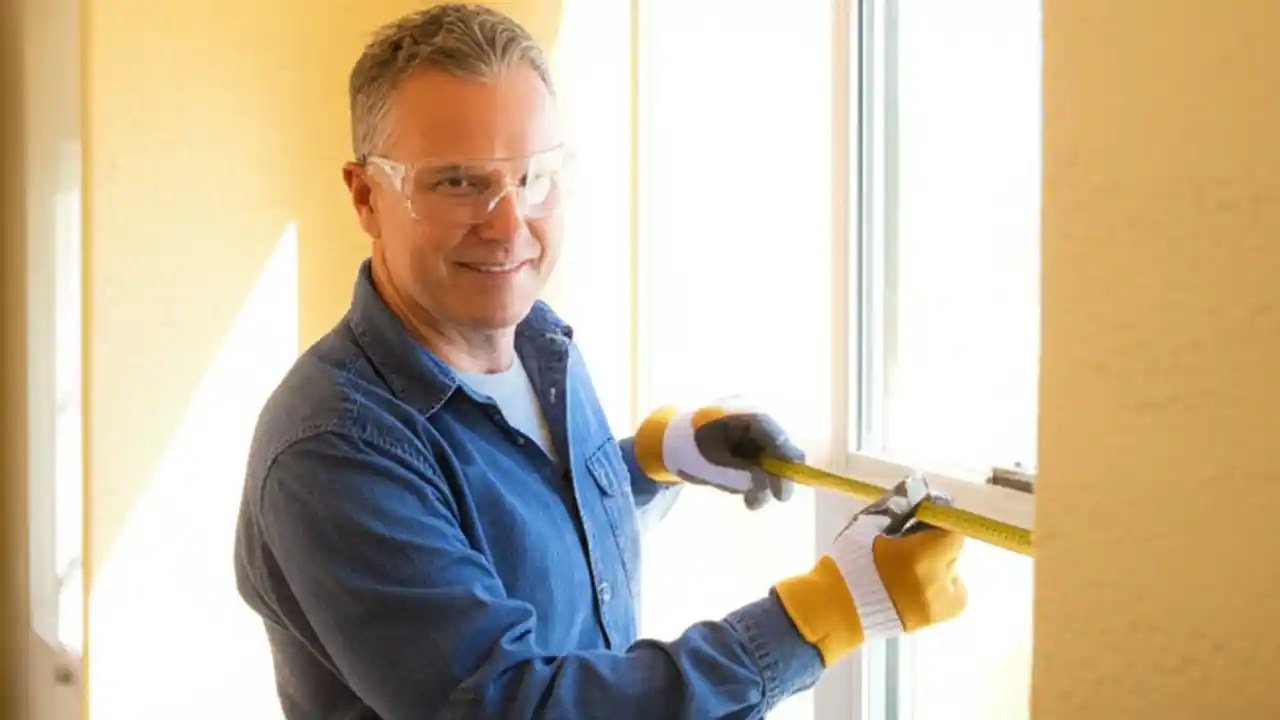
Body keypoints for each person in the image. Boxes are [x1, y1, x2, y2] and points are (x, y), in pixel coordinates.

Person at [233, 4, 968, 718]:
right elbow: (512, 706)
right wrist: (822, 615)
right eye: (458, 182)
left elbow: (517, 535)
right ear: (366, 197)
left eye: (533, 177)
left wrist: (649, 463)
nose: (509, 226)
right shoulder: (334, 447)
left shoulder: (536, 341)